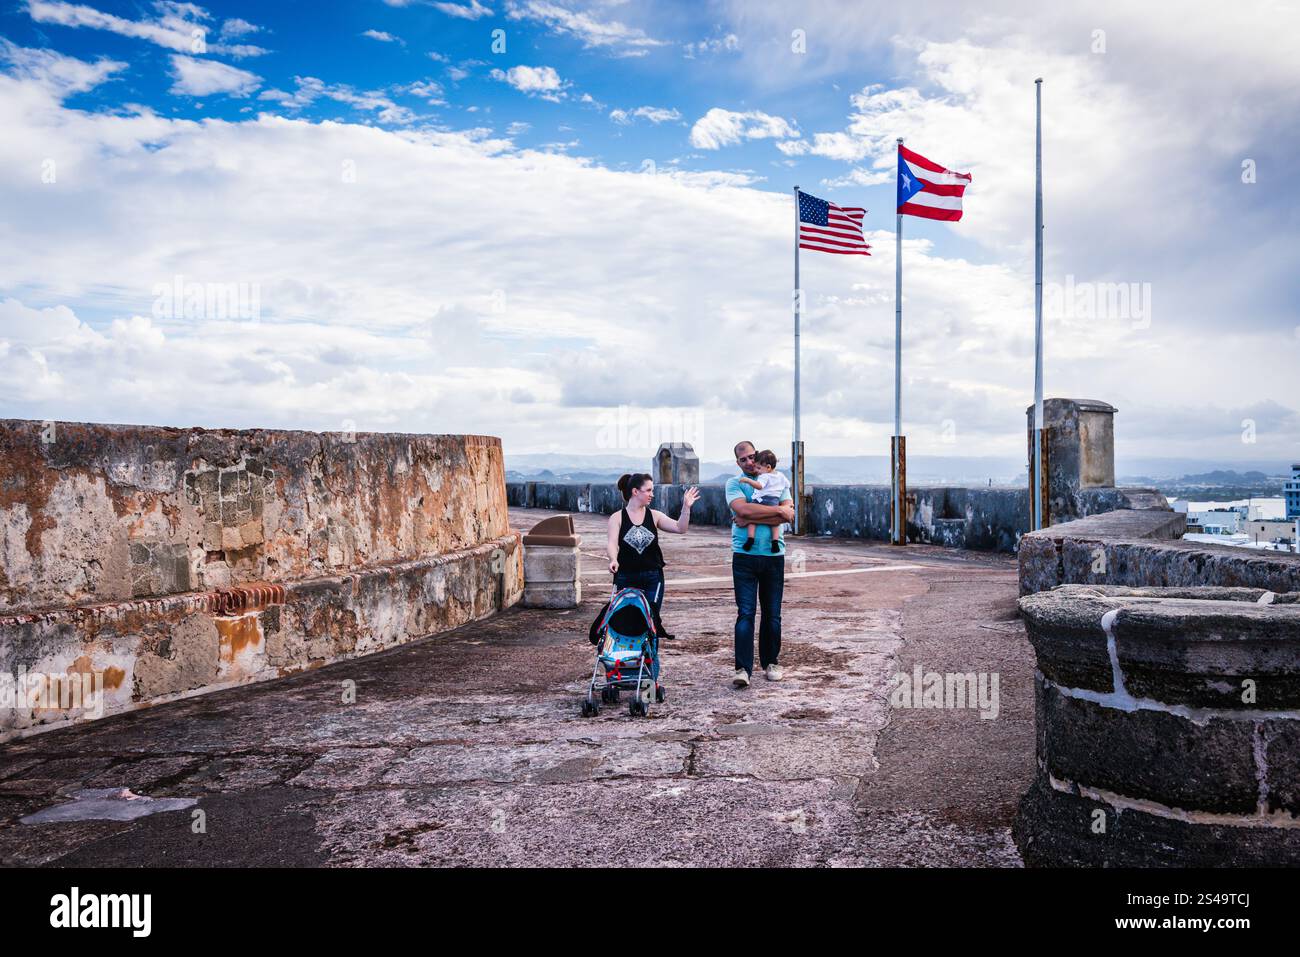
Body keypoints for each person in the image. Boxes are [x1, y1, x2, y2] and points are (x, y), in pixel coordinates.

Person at [726, 441, 793, 688]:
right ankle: (743, 669)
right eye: (743, 459)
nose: (749, 462)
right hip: (744, 557)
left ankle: (771, 662)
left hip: (774, 557)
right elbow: (743, 510)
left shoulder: (776, 479)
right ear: (738, 463)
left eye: (752, 457)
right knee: (746, 614)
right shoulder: (734, 484)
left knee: (772, 615)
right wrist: (773, 513)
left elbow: (789, 514)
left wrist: (751, 515)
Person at [607, 472, 700, 643]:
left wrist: (686, 507)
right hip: (626, 576)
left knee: (651, 619)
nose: (652, 494)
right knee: (626, 619)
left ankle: (650, 663)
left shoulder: (654, 515)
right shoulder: (617, 517)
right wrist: (613, 559)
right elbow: (612, 543)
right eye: (648, 490)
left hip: (652, 576)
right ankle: (628, 661)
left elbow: (680, 528)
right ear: (636, 492)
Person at [736, 449, 790, 553]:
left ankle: (750, 539)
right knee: (775, 524)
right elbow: (787, 485)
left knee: (752, 518)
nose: (757, 470)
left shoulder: (764, 476)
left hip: (761, 500)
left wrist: (748, 480)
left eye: (759, 468)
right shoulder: (781, 475)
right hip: (774, 501)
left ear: (768, 467)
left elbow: (759, 486)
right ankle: (775, 542)